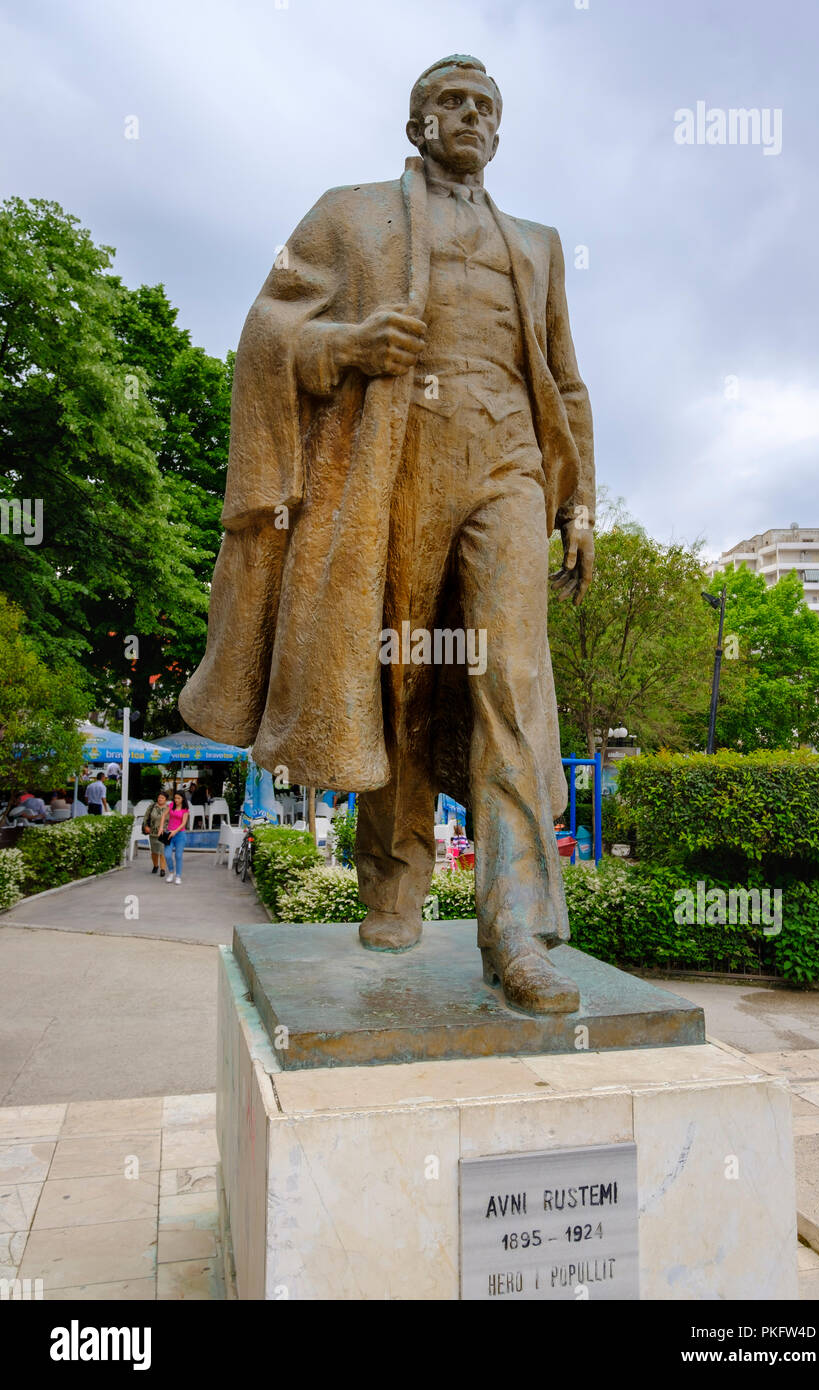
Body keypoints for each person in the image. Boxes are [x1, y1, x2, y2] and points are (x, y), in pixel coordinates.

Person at [178, 55, 595, 1014]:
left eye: (488, 107)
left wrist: (580, 503)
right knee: (400, 671)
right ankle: (395, 882)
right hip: (397, 461)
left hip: (510, 469)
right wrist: (347, 344)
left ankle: (519, 929)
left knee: (513, 680)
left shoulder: (538, 244)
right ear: (417, 125)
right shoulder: (349, 214)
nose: (473, 118)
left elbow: (565, 385)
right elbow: (265, 331)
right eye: (452, 103)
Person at [161, 791, 189, 884]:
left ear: (182, 799)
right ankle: (171, 872)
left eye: (178, 798)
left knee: (178, 856)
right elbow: (164, 815)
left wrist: (175, 831)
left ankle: (178, 876)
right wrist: (161, 827)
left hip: (180, 835)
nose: (176, 800)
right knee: (167, 855)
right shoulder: (171, 805)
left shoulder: (185, 809)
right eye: (175, 798)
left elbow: (183, 823)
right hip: (169, 834)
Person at [143, 791, 169, 877]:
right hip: (152, 832)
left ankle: (162, 869)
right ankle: (155, 865)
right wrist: (145, 826)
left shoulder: (169, 808)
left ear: (166, 799)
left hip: (164, 833)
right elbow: (146, 817)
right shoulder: (152, 806)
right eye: (159, 797)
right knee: (154, 852)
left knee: (162, 851)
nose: (160, 799)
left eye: (162, 798)